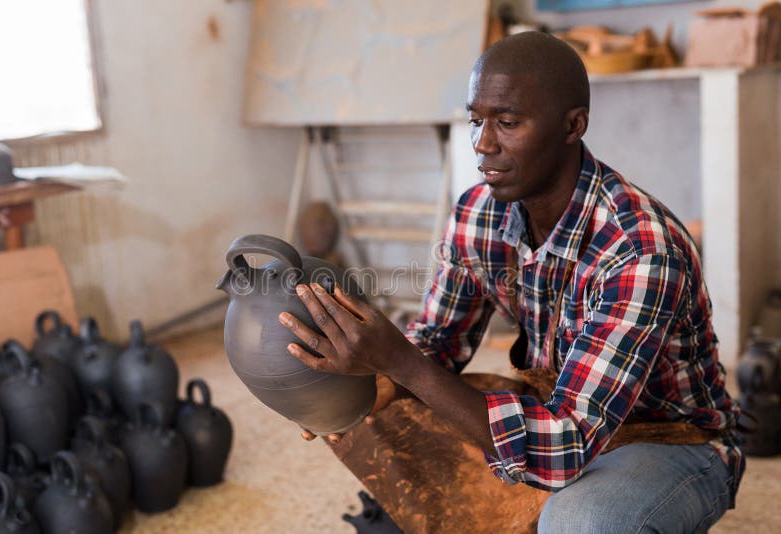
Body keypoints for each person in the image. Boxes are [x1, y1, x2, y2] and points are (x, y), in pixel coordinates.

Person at [278, 31, 743, 533]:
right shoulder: (478, 211)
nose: (483, 144)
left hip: (667, 438)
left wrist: (398, 361)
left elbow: (562, 445)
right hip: (561, 407)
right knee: (370, 409)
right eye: (477, 120)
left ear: (573, 125)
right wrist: (362, 382)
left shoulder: (640, 250)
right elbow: (438, 343)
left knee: (583, 523)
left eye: (508, 122)